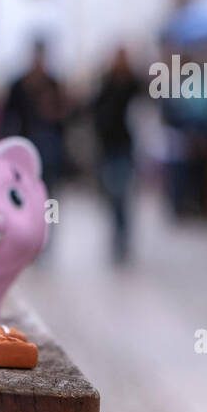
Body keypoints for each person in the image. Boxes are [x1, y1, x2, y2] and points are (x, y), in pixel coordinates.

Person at [91, 47, 142, 264]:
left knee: (122, 194)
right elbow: (93, 109)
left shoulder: (134, 84)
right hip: (108, 148)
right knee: (113, 195)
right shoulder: (106, 84)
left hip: (124, 148)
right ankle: (118, 234)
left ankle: (122, 237)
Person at [0, 40, 66, 198]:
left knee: (50, 190)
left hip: (50, 145)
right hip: (27, 142)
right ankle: (34, 220)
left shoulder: (52, 83)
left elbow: (63, 114)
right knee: (28, 187)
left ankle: (51, 220)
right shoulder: (19, 85)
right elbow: (8, 115)